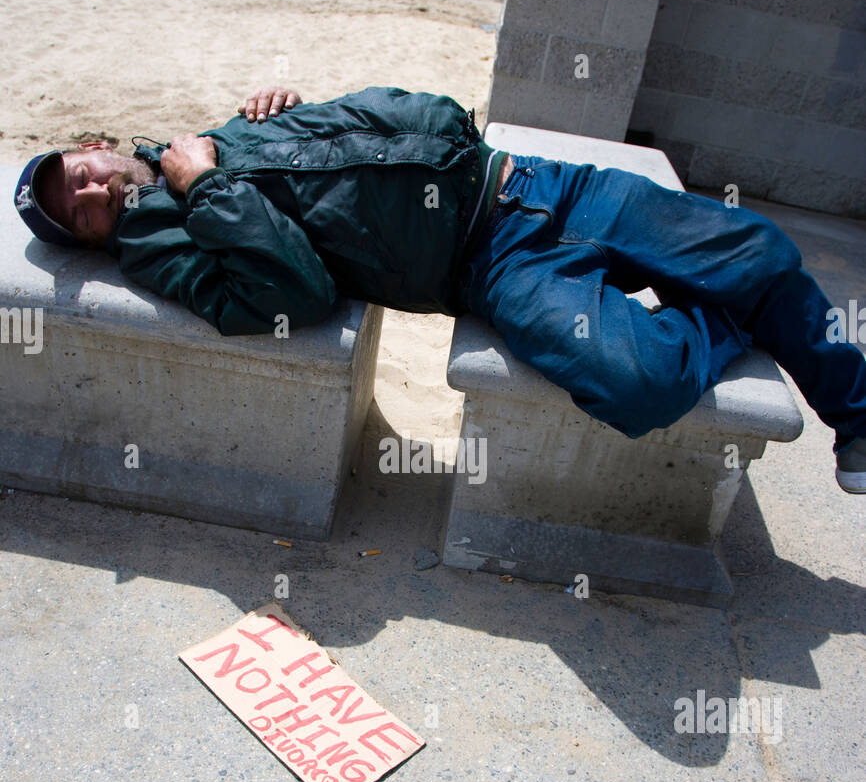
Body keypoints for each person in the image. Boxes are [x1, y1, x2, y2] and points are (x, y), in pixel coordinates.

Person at [13, 83, 866, 492]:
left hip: (531, 179)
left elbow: (329, 165)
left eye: (78, 173)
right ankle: (728, 318)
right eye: (78, 213)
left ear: (90, 147)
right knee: (635, 382)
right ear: (93, 242)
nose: (90, 191)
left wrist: (282, 109)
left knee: (760, 248)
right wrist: (210, 187)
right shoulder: (161, 244)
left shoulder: (187, 139)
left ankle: (856, 418)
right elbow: (289, 296)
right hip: (493, 265)